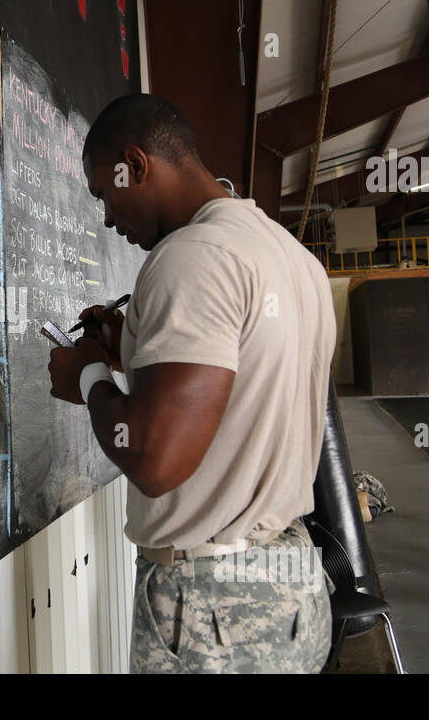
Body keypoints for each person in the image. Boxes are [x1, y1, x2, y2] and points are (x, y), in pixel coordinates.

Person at [46, 94, 336, 673]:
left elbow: (156, 460)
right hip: (290, 591)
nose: (107, 218)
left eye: (105, 192)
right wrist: (132, 347)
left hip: (212, 611)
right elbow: (242, 377)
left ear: (137, 163)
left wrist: (90, 377)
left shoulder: (191, 256)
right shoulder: (292, 257)